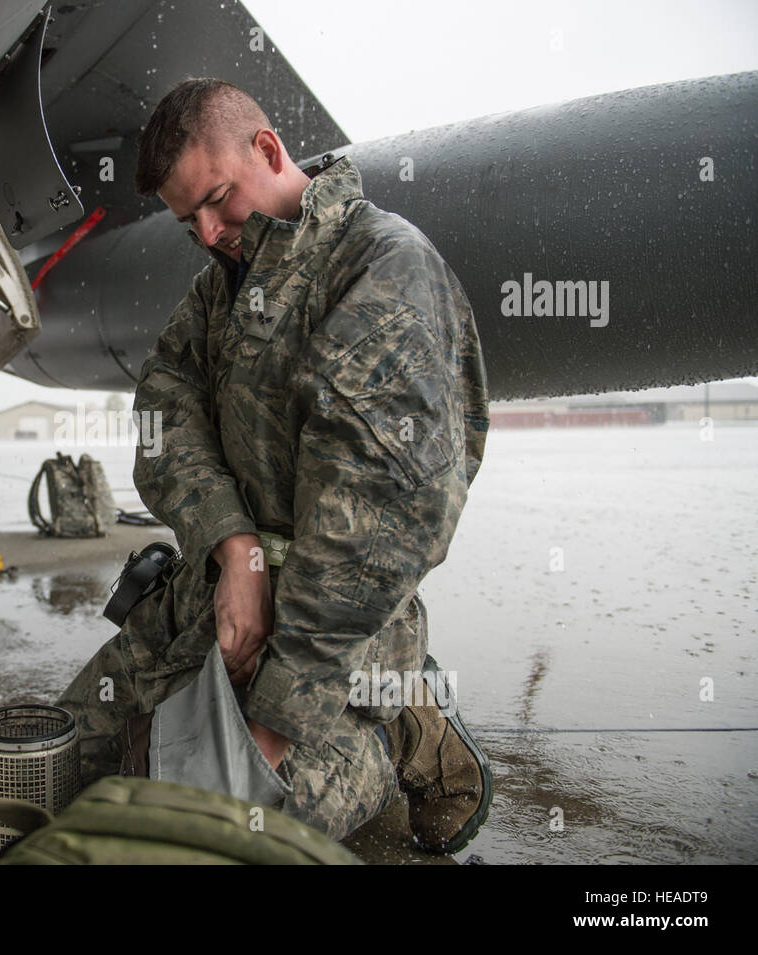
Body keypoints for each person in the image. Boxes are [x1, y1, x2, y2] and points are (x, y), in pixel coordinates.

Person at [55, 78, 492, 852]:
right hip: (217, 600)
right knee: (50, 768)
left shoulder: (382, 271)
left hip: (336, 638)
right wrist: (235, 548)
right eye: (188, 218)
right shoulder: (222, 287)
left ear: (268, 149)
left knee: (224, 838)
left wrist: (270, 725)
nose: (208, 231)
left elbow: (371, 535)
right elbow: (163, 412)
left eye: (217, 199)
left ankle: (402, 729)